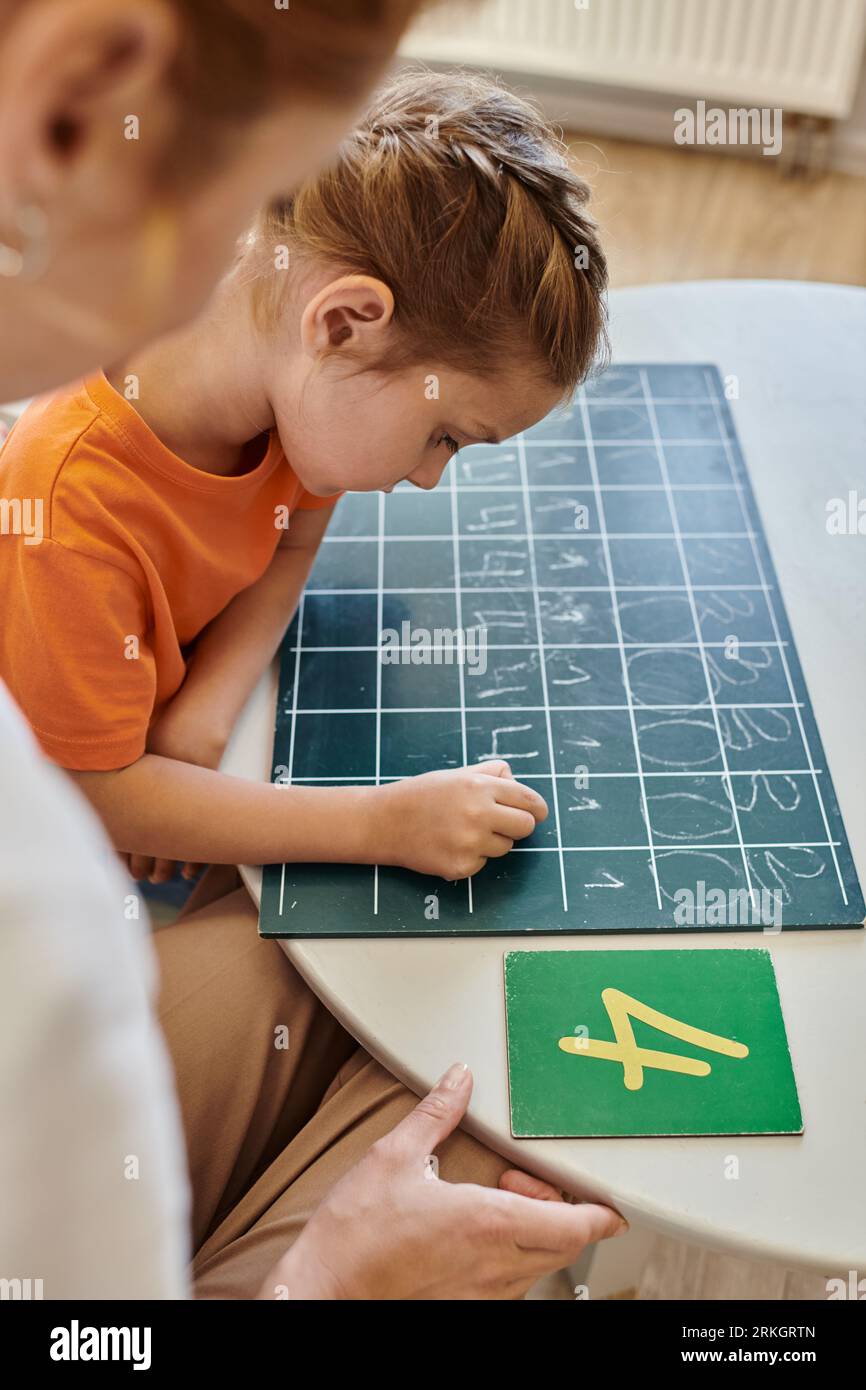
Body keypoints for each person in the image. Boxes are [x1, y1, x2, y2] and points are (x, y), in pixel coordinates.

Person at [0, 0, 626, 1300]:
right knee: (404, 1010)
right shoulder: (62, 498)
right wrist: (378, 823)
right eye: (448, 438)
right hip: (110, 849)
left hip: (143, 785)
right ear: (345, 323)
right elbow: (90, 788)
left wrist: (209, 695)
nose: (438, 481)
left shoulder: (290, 403)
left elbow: (292, 525)